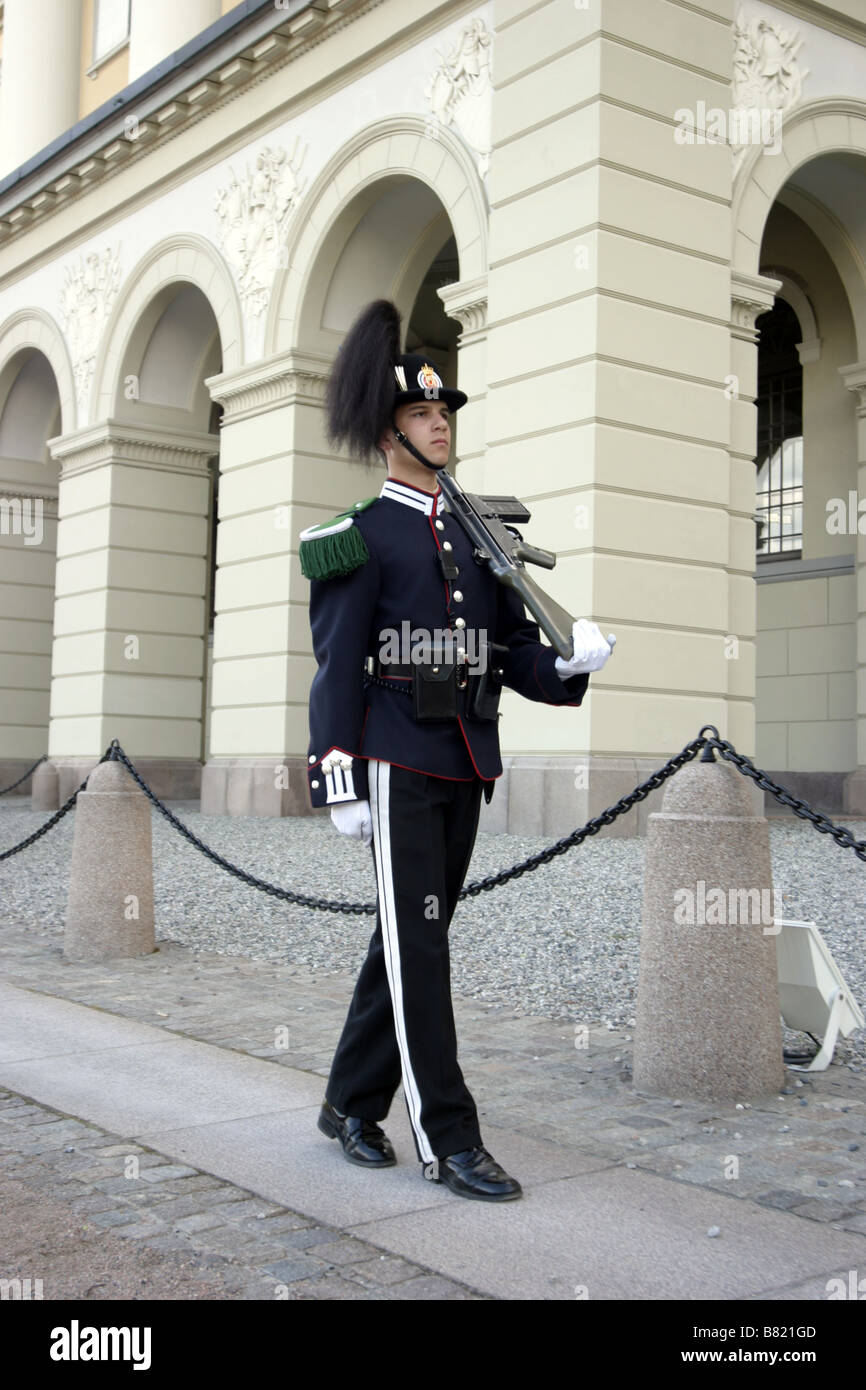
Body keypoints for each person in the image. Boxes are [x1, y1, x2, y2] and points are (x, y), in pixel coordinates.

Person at [300, 299, 613, 1201]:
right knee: (422, 952)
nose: (441, 425)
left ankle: (350, 1105)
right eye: (424, 415)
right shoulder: (359, 537)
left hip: (467, 759)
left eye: (445, 414)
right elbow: (336, 670)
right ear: (389, 433)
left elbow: (509, 648)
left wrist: (567, 663)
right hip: (396, 760)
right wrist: (339, 779)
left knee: (406, 939)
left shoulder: (476, 533)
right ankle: (451, 1140)